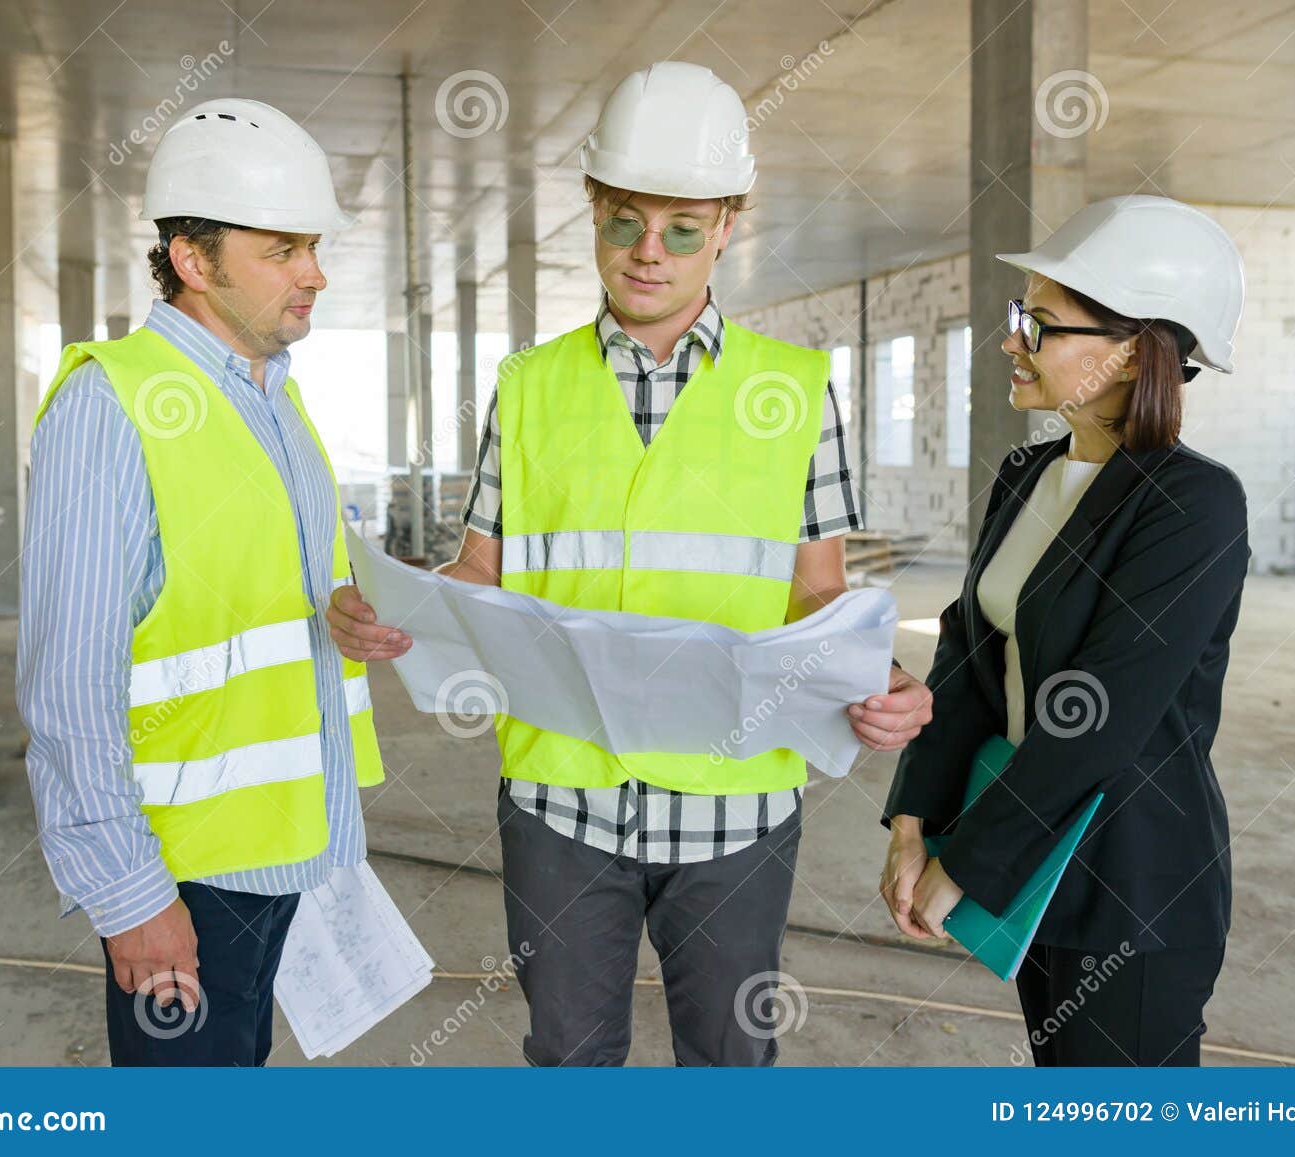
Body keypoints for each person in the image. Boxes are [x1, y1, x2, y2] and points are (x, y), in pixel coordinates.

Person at [328, 61, 931, 1066]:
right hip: (562, 802)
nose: (648, 254)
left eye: (683, 228)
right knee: (568, 1061)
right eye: (624, 222)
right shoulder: (527, 386)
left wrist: (886, 683)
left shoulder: (795, 390)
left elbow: (819, 594)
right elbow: (479, 569)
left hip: (734, 805)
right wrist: (394, 608)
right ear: (596, 213)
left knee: (730, 1064)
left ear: (726, 226)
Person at [17, 98, 383, 1066]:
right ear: (192, 256)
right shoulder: (112, 405)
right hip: (181, 873)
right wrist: (130, 894)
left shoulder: (276, 397)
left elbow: (248, 597)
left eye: (313, 245)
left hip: (278, 847)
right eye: (282, 248)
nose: (314, 273)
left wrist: (343, 614)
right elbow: (68, 682)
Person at [878, 195, 1251, 1066]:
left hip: (1132, 882)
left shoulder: (1192, 505)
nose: (1012, 341)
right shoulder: (1027, 474)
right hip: (1036, 876)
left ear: (1131, 350)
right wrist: (914, 820)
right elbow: (969, 655)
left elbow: (1102, 717)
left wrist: (964, 863)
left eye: (1039, 324)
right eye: (1020, 316)